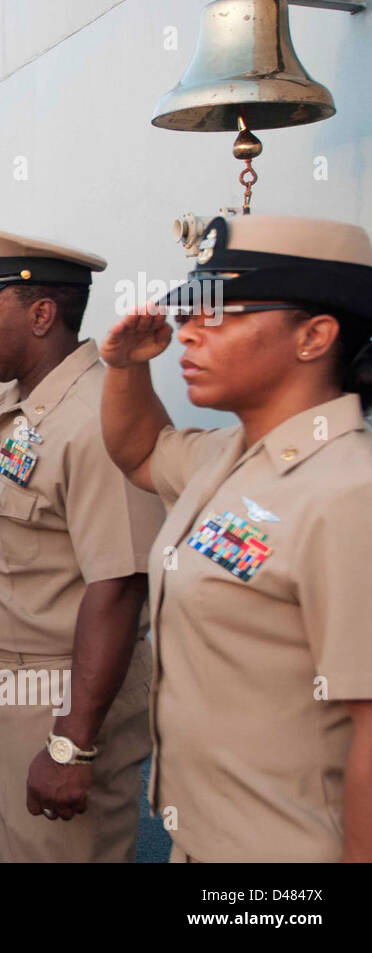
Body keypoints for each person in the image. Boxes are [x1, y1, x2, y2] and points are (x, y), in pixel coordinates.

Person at [99, 214, 372, 862]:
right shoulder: (230, 457)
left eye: (219, 314)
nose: (188, 332)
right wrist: (124, 367)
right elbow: (139, 451)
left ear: (314, 336)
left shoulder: (347, 493)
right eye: (190, 311)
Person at [0, 221, 164, 862]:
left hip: (58, 700)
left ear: (41, 314)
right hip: (6, 689)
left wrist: (71, 743)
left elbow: (118, 585)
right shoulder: (25, 407)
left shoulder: (96, 419)